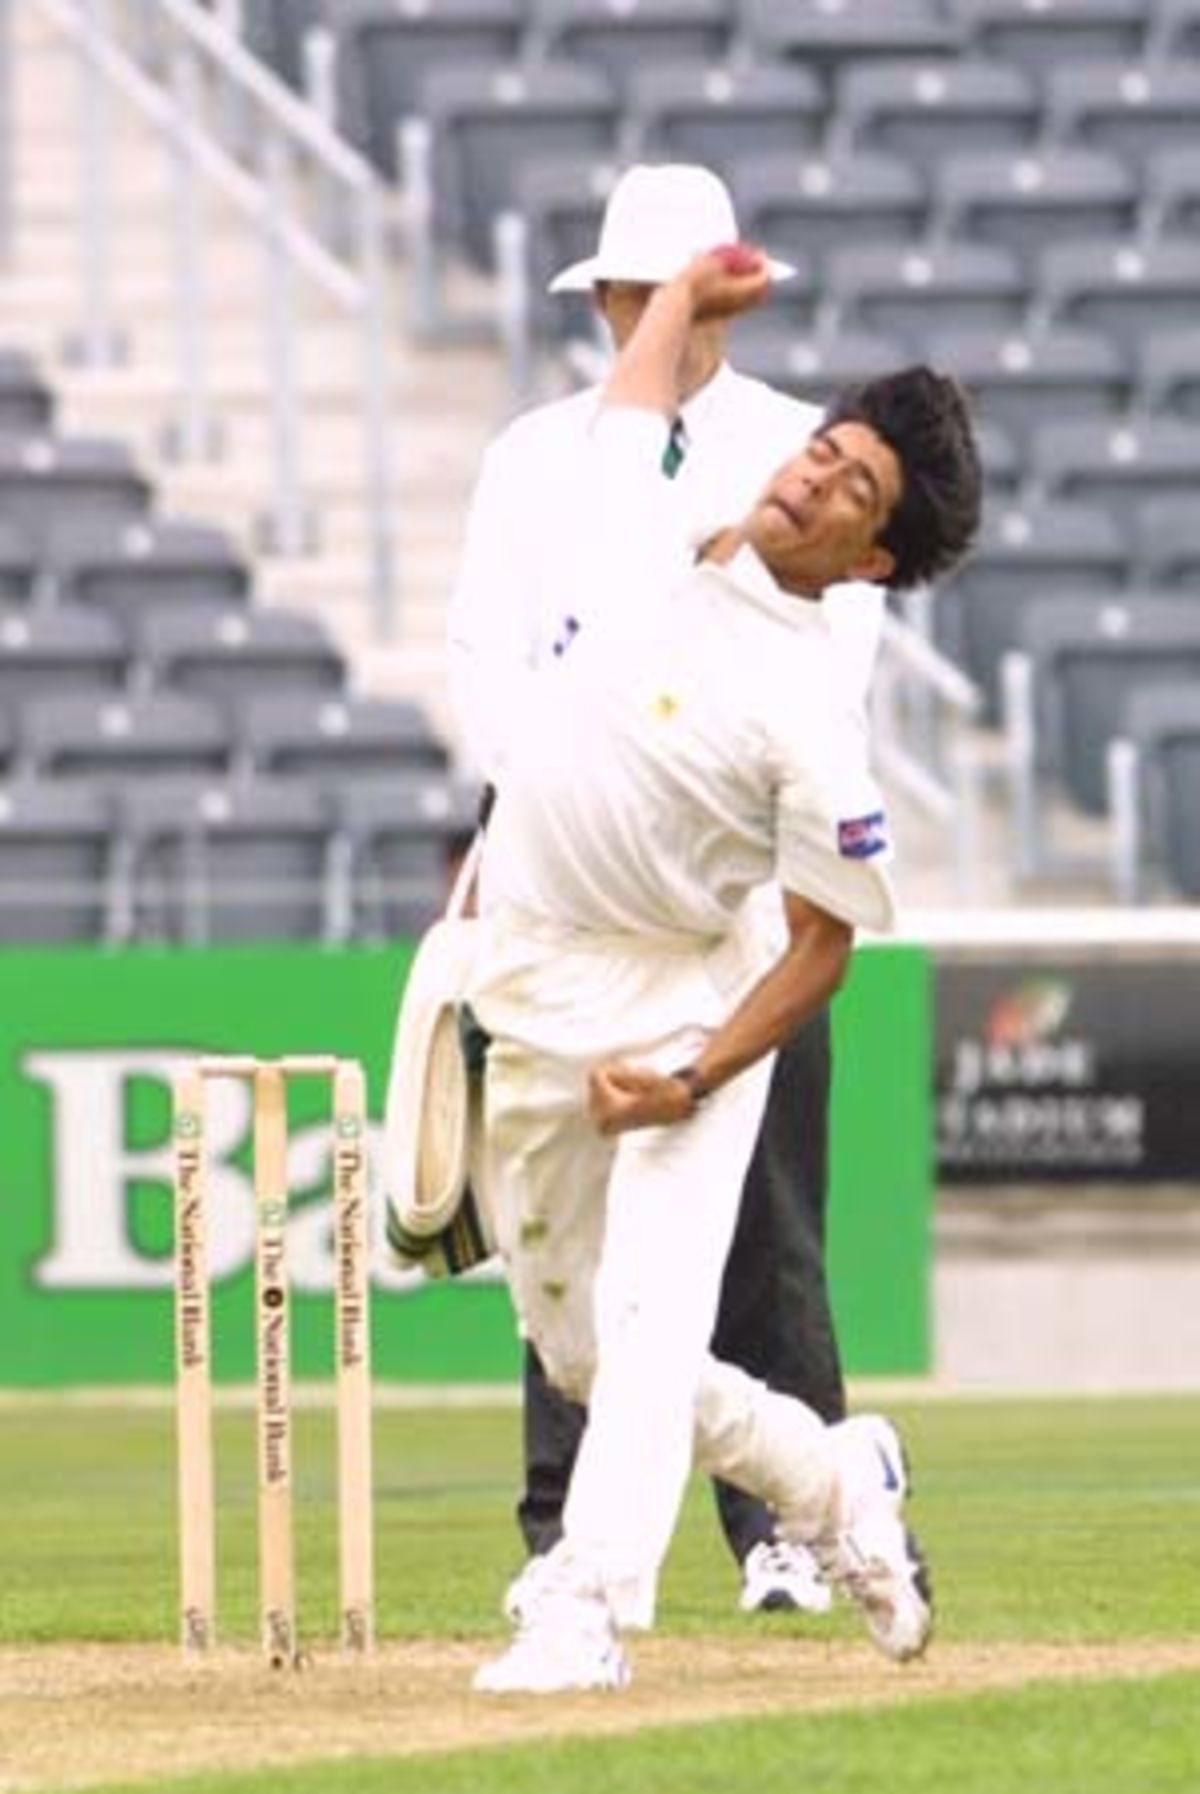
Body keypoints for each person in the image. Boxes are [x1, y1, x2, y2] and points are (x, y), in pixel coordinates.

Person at [462, 246, 982, 1694]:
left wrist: (692, 1069)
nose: (814, 480)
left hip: (687, 999)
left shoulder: (814, 712)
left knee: (649, 1320)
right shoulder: (658, 512)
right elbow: (636, 383)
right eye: (826, 449)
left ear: (872, 559)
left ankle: (587, 1601)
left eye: (855, 491)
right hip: (536, 976)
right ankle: (836, 1480)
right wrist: (687, 291)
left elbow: (824, 948)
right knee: (576, 1348)